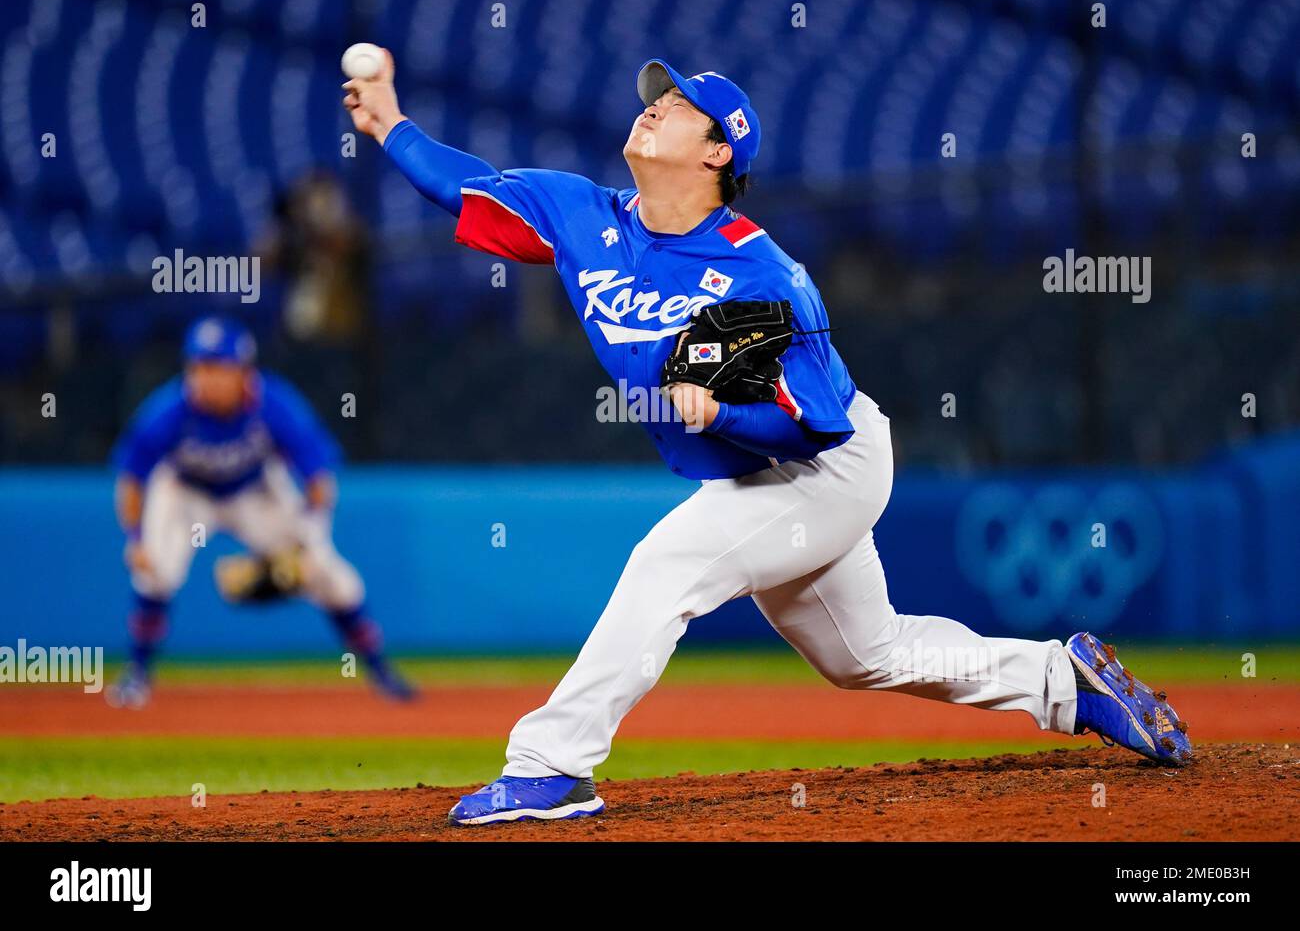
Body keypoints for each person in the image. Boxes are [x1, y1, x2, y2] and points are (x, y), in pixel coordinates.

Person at [343, 52, 1191, 825]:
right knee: (866, 655)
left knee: (664, 566)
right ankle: (1063, 682)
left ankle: (551, 767)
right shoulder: (582, 215)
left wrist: (721, 414)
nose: (653, 109)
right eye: (656, 99)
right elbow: (470, 186)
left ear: (719, 154)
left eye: (677, 106)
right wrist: (389, 122)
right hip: (761, 477)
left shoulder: (759, 272)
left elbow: (815, 421)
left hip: (825, 464)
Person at [106, 315, 413, 707]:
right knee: (154, 571)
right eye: (199, 367)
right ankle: (136, 675)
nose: (207, 378)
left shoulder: (274, 403)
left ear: (243, 372)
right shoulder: (169, 409)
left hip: (255, 491)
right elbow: (131, 479)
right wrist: (134, 539)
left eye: (219, 367)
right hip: (185, 491)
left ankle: (379, 671)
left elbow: (318, 476)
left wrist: (311, 532)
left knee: (329, 574)